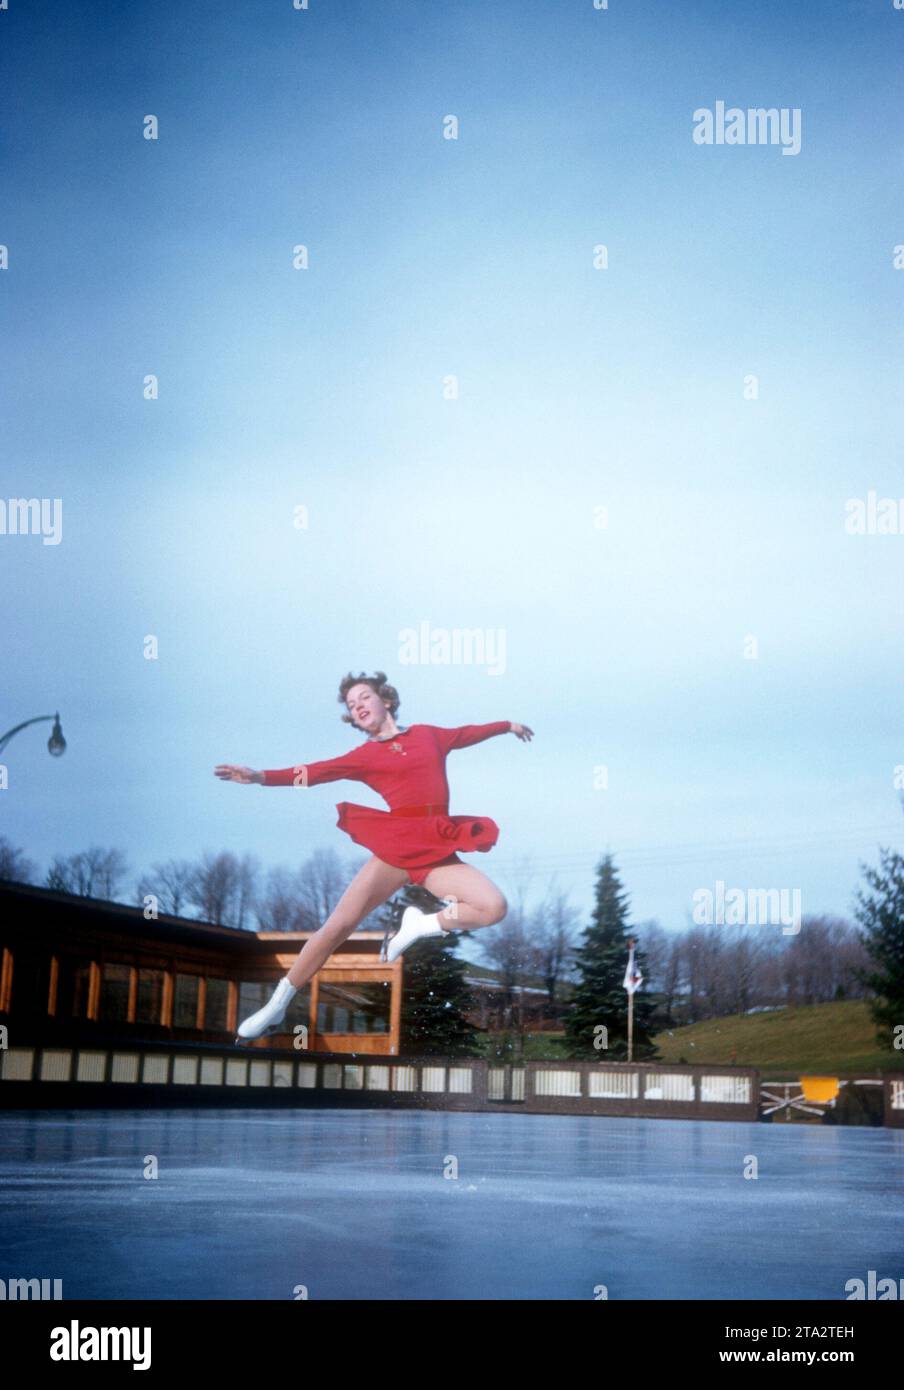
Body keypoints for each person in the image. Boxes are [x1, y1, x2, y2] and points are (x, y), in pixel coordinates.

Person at [214, 670, 533, 1040]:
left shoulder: (429, 735)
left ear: (386, 699)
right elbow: (315, 773)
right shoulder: (365, 755)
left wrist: (507, 724)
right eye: (352, 705)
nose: (358, 707)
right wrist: (260, 776)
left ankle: (420, 925)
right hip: (396, 847)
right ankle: (278, 1003)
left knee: (493, 907)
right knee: (338, 925)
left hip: (435, 848)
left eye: (364, 697)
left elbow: (469, 733)